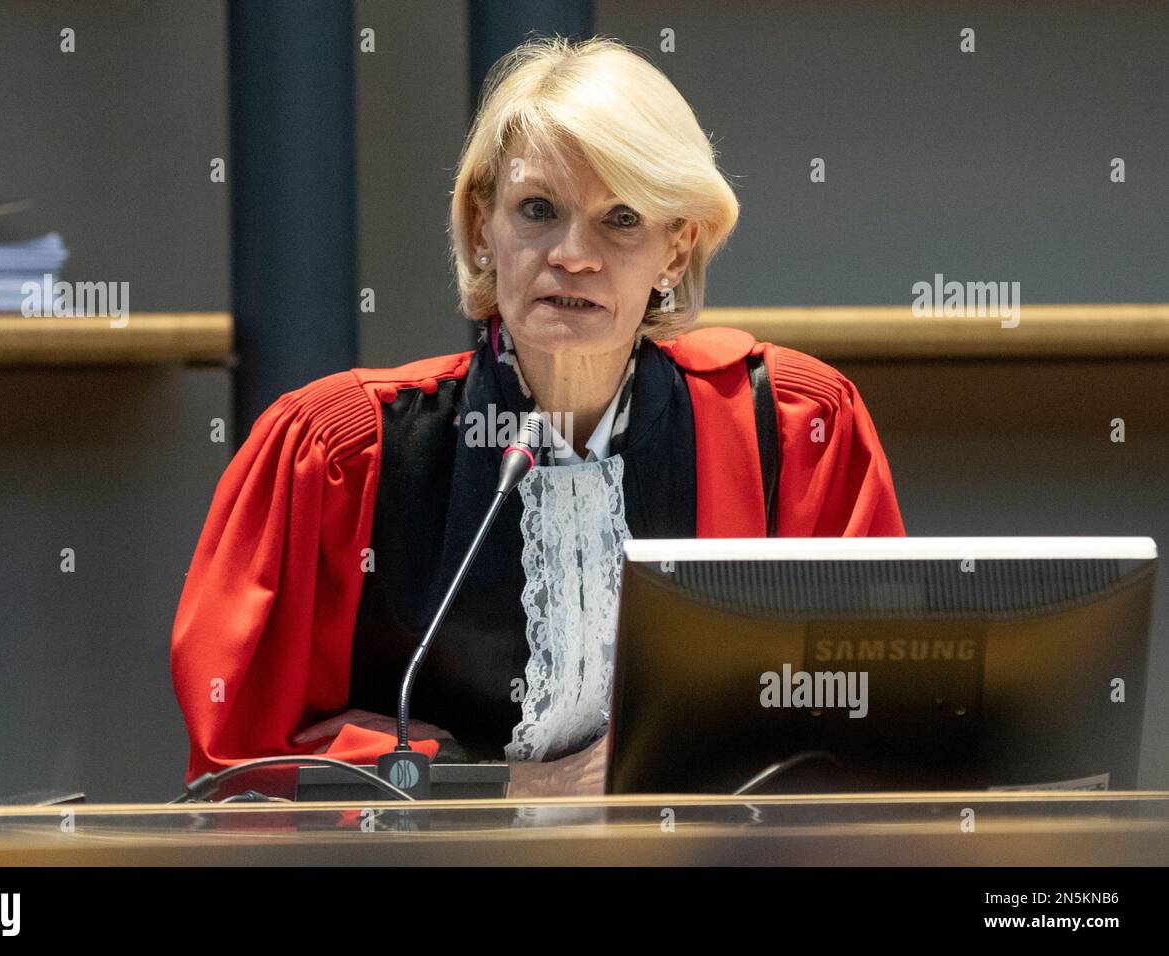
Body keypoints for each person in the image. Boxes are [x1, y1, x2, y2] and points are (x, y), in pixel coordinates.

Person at [171, 35, 905, 799]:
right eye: (538, 210)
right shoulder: (340, 453)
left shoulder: (789, 431)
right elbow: (243, 767)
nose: (573, 255)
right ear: (482, 229)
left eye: (622, 218)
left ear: (677, 249)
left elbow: (865, 718)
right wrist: (510, 788)